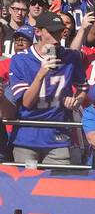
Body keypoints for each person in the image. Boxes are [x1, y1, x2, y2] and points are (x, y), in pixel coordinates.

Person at [6, 10, 86, 166]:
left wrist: (76, 101)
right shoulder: (20, 60)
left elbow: (83, 88)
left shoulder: (72, 57)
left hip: (58, 135)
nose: (57, 36)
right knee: (26, 186)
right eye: (52, 31)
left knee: (56, 187)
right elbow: (27, 103)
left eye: (60, 31)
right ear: (38, 32)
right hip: (28, 136)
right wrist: (41, 74)